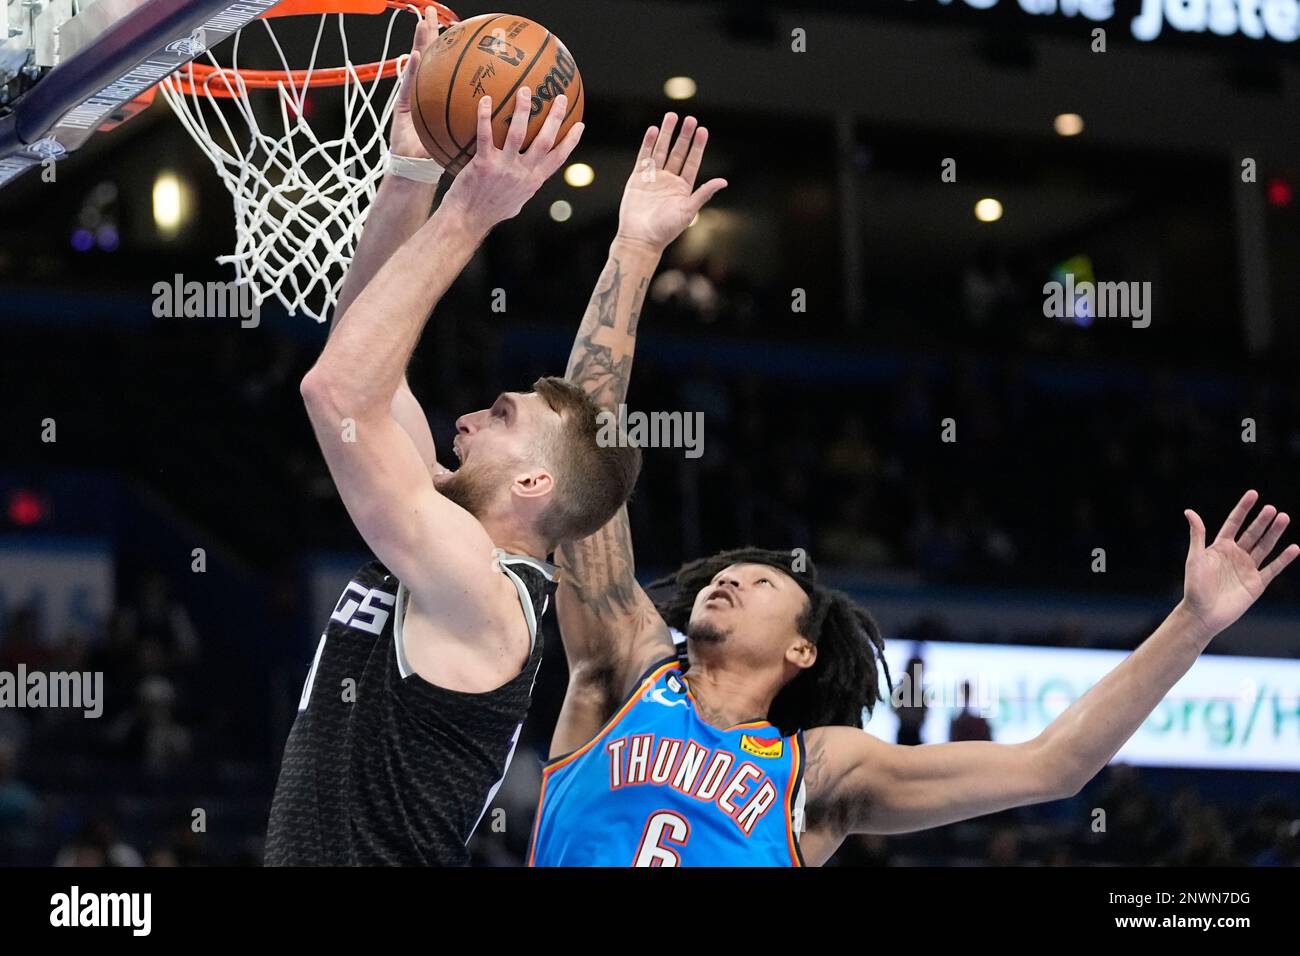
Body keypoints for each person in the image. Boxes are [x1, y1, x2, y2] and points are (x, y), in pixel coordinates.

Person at [529, 116, 1298, 862]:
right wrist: (633, 248)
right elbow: (584, 440)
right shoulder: (624, 667)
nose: (728, 576)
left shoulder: (822, 772)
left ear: (802, 649)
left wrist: (1193, 623)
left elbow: (1051, 766)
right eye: (728, 574)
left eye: (759, 581)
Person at [264, 12, 640, 866]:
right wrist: (411, 173)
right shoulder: (455, 539)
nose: (467, 417)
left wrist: (472, 211)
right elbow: (362, 357)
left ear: (535, 486)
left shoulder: (484, 593)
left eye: (501, 418)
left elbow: (336, 392)